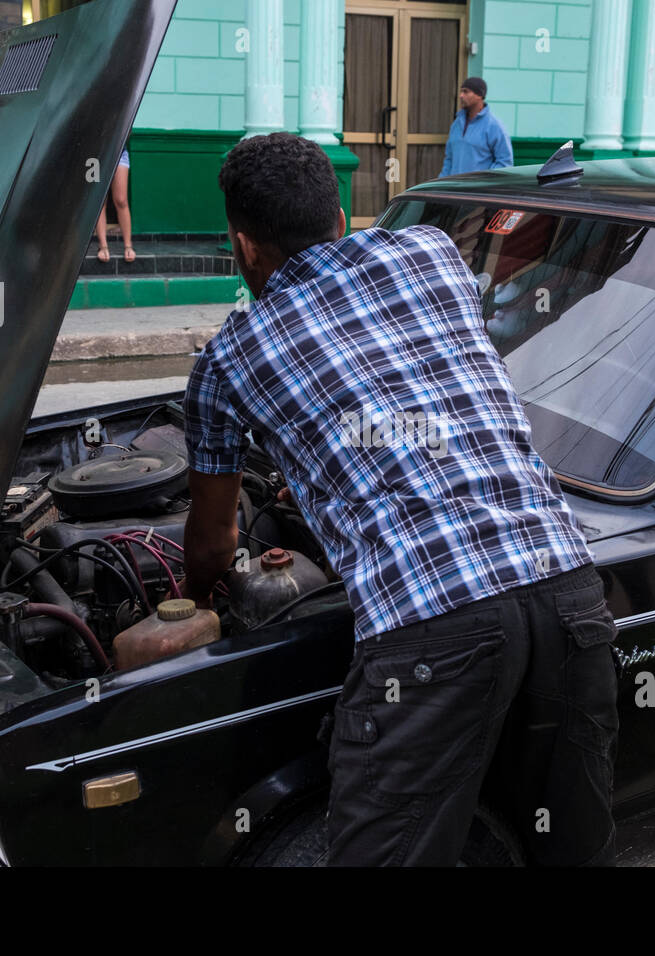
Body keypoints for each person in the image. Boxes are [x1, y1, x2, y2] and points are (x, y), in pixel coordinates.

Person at [179, 132, 617, 867]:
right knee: (571, 851)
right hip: (569, 596)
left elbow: (214, 545)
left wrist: (196, 598)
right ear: (344, 217)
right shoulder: (431, 254)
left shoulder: (227, 357)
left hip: (432, 634)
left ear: (244, 247)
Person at [440, 76, 513, 176]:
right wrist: (441, 184)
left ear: (479, 95)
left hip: (478, 190)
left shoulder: (494, 126)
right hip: (454, 189)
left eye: (466, 92)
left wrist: (484, 181)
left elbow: (505, 163)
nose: (461, 96)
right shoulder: (456, 124)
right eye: (461, 92)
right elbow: (449, 160)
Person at [94, 145, 134, 262]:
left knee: (121, 200)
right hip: (92, 156)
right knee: (99, 200)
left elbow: (127, 130)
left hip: (119, 152)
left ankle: (128, 245)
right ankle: (103, 245)